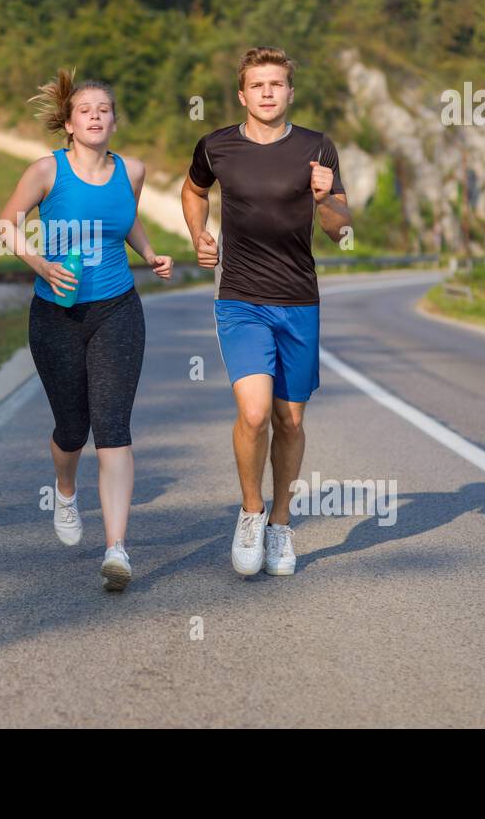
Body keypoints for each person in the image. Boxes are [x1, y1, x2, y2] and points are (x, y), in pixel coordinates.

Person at [0, 69, 172, 592]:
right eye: (86, 110)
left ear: (114, 120)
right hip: (55, 312)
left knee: (112, 427)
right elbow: (6, 224)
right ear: (70, 124)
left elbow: (126, 219)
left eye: (104, 109)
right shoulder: (45, 172)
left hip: (117, 309)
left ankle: (116, 549)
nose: (96, 116)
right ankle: (66, 490)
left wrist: (149, 254)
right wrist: (40, 264)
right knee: (72, 429)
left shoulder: (132, 170)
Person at [181, 47, 351, 577]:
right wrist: (198, 234)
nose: (268, 93)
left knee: (290, 420)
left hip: (299, 299)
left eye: (277, 84)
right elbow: (192, 190)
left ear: (290, 92)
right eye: (258, 85)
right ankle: (251, 513)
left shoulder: (317, 148)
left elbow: (340, 228)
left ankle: (281, 524)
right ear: (242, 94)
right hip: (240, 297)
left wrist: (326, 198)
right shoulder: (217, 146)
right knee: (254, 413)